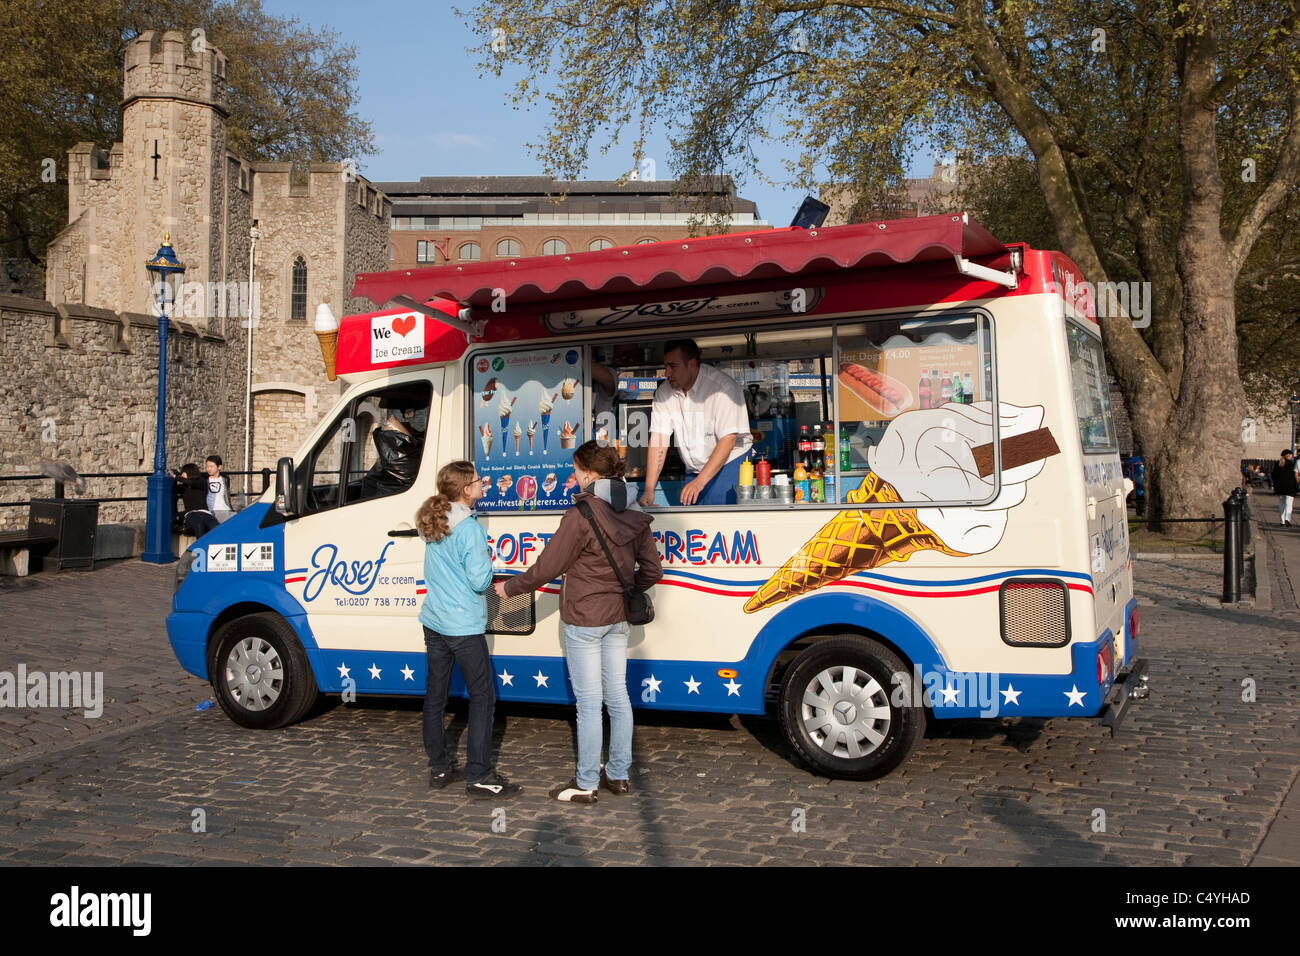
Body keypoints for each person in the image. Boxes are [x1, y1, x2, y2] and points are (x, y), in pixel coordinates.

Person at [496, 441, 662, 803]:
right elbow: (653, 569)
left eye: (575, 470)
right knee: (618, 696)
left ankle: (586, 783)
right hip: (618, 616)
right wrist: (628, 589)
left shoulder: (580, 514)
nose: (572, 476)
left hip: (585, 619)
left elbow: (548, 566)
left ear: (589, 474)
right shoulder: (635, 513)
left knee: (588, 703)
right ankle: (617, 775)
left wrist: (509, 588)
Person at [416, 461, 521, 799]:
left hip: (434, 621)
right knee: (483, 697)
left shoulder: (436, 520)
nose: (483, 484)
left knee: (435, 695)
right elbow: (479, 580)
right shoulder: (470, 529)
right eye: (478, 481)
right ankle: (478, 775)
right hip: (462, 625)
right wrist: (489, 559)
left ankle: (440, 767)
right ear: (465, 489)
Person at [639, 338, 752, 507]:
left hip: (730, 463)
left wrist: (700, 482)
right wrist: (649, 489)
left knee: (724, 525)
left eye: (673, 366)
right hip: (694, 468)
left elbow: (727, 440)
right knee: (696, 526)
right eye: (666, 366)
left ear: (691, 364)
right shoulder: (664, 392)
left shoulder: (723, 388)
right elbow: (659, 440)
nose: (666, 373)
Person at [173, 463, 218, 537]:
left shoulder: (201, 482)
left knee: (215, 527)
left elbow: (191, 483)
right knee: (199, 525)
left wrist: (176, 477)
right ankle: (201, 547)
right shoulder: (183, 487)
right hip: (191, 513)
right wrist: (174, 480)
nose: (182, 476)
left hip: (205, 513)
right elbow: (173, 490)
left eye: (183, 474)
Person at [204, 455, 234, 523]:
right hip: (213, 511)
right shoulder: (205, 480)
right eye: (207, 466)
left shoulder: (224, 479)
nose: (208, 469)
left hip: (227, 510)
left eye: (211, 467)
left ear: (219, 467)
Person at [1272, 450, 1298, 526]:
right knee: (1289, 503)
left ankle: (1282, 521)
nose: (1292, 456)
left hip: (1280, 487)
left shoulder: (1278, 464)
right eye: (1291, 455)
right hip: (1290, 487)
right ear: (1289, 455)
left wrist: (1276, 484)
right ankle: (1287, 519)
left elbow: (1274, 475)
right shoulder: (1291, 464)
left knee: (1282, 503)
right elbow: (1294, 476)